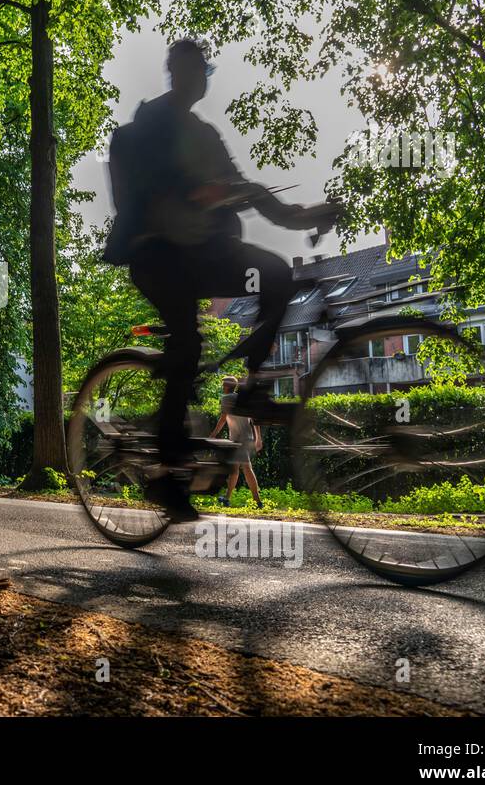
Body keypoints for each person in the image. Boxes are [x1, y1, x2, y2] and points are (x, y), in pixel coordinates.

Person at [104, 39, 337, 521]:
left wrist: (304, 215)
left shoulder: (206, 134)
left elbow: (248, 191)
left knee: (277, 274)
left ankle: (251, 386)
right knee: (186, 348)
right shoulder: (147, 130)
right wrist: (196, 195)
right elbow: (144, 197)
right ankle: (167, 476)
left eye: (204, 71)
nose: (200, 78)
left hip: (207, 254)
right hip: (158, 256)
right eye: (191, 69)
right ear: (173, 71)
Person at [208, 376, 263, 507]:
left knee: (246, 468)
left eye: (223, 385)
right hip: (245, 438)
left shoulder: (226, 398)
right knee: (234, 468)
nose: (222, 387)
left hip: (239, 439)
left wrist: (213, 434)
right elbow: (255, 419)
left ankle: (258, 502)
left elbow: (223, 418)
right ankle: (227, 498)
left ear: (227, 386)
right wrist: (258, 438)